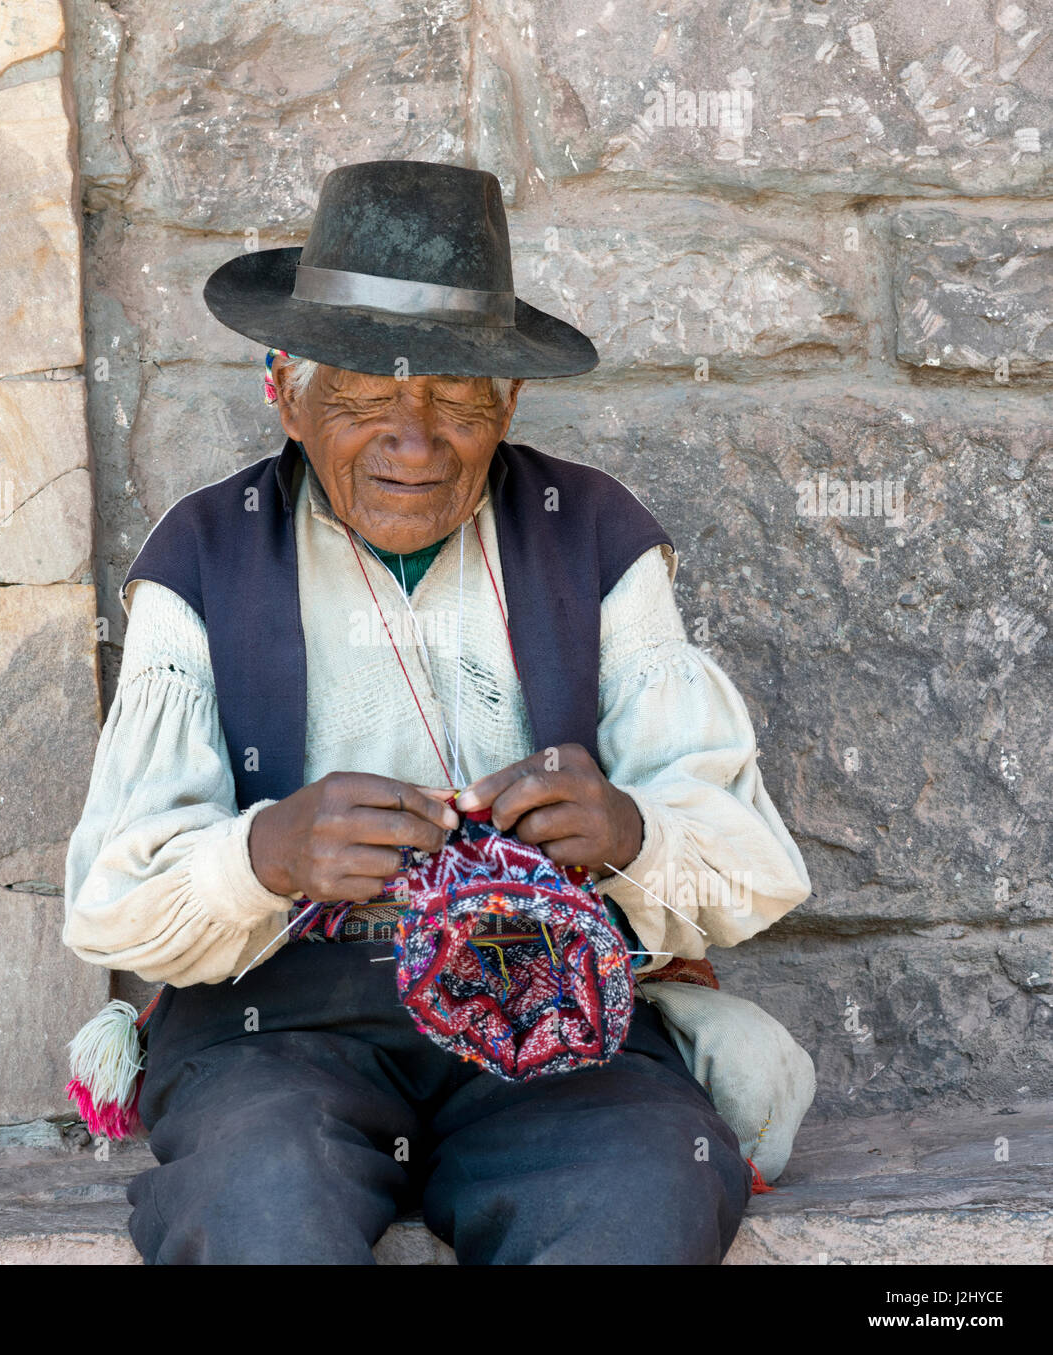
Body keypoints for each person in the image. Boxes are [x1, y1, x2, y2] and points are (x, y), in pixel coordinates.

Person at [63, 159, 813, 1264]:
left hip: (547, 1007)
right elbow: (112, 903)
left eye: (457, 403)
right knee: (261, 1198)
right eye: (365, 401)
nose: (415, 444)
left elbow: (755, 866)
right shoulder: (203, 554)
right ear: (284, 389)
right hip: (275, 1029)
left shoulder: (593, 536)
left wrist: (629, 835)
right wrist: (265, 854)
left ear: (507, 401)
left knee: (643, 1183)